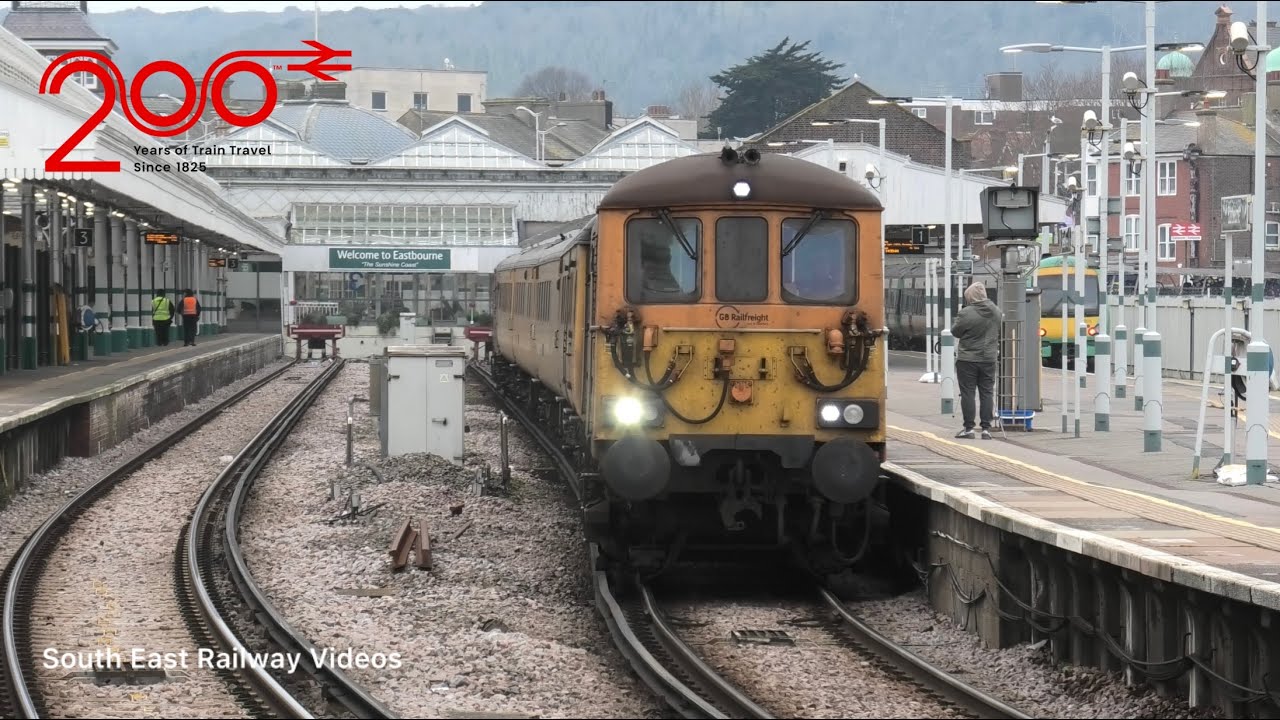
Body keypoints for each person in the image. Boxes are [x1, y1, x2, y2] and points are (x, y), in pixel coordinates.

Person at [950, 282, 1003, 439]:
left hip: (968, 359)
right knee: (987, 392)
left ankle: (969, 429)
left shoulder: (966, 313)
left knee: (968, 393)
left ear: (970, 297)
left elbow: (956, 331)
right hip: (989, 358)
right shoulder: (997, 312)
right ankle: (986, 429)